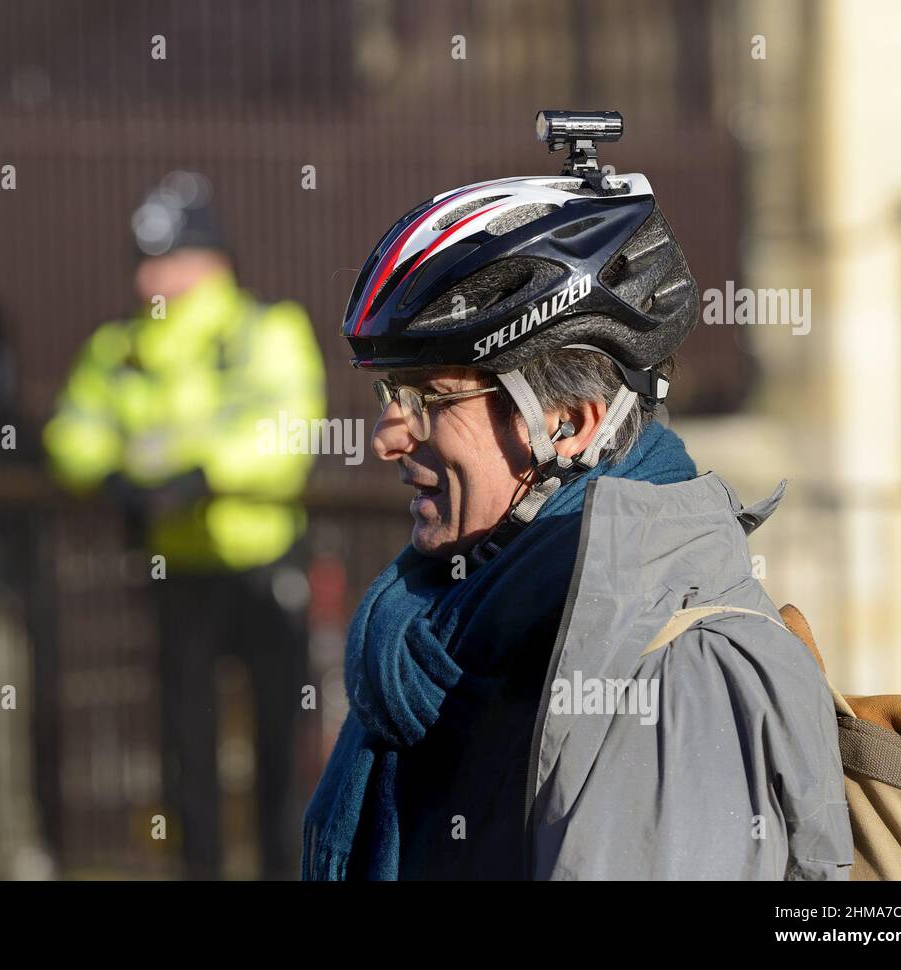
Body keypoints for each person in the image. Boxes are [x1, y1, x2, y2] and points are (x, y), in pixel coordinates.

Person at [303, 160, 853, 879]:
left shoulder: (678, 679)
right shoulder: (449, 634)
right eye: (387, 397)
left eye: (427, 399)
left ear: (566, 424)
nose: (388, 436)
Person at [44, 172, 326, 879]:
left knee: (279, 756)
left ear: (211, 261)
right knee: (187, 755)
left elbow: (288, 430)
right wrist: (106, 473)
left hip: (263, 565)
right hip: (178, 570)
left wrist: (203, 471)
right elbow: (70, 431)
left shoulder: (265, 331)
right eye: (144, 261)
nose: (150, 277)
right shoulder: (121, 347)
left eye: (166, 259)